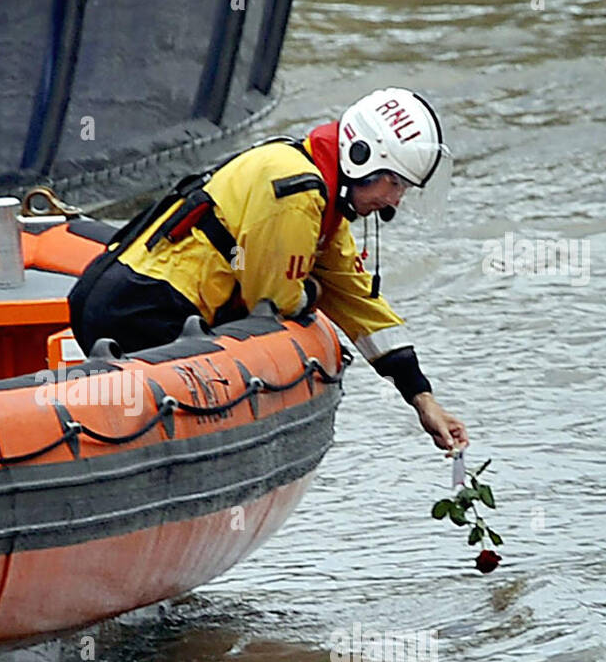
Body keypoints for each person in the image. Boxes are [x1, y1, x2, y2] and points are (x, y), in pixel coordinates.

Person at [68, 87, 469, 456]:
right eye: (395, 184)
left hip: (131, 299)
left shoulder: (318, 192)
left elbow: (357, 299)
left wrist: (422, 396)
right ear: (361, 158)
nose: (393, 202)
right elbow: (275, 300)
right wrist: (312, 291)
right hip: (142, 310)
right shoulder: (295, 192)